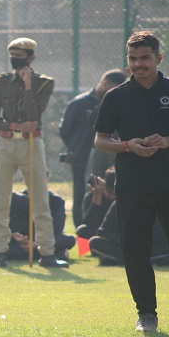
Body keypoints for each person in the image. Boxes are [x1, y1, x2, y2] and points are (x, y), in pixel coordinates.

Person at [94, 31, 169, 334]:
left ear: (158, 58)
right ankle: (146, 315)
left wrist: (167, 141)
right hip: (132, 186)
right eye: (133, 58)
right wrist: (127, 146)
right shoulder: (116, 95)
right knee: (135, 251)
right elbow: (101, 140)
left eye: (145, 57)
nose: (139, 64)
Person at [0, 37, 66, 268]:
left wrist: (28, 85)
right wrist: (14, 127)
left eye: (20, 56)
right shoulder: (0, 81)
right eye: (13, 56)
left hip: (32, 144)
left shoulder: (44, 82)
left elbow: (34, 115)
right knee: (0, 200)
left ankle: (47, 254)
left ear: (32, 57)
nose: (15, 60)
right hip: (5, 144)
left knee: (40, 199)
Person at [59, 69, 126, 226]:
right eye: (114, 88)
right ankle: (82, 234)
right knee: (82, 194)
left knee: (108, 193)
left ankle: (104, 231)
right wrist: (75, 149)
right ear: (105, 84)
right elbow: (65, 131)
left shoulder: (118, 104)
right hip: (81, 156)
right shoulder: (79, 103)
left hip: (106, 155)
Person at [0, 173, 74, 262]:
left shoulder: (21, 200)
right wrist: (12, 235)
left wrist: (34, 243)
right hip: (13, 242)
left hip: (37, 238)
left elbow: (46, 225)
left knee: (68, 239)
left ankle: (38, 253)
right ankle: (44, 254)